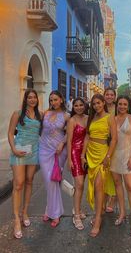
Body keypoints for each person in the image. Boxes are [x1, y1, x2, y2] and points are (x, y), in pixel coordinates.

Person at [81, 94, 117, 237]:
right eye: (94, 104)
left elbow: (114, 139)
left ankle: (97, 219)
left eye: (98, 103)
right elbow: (87, 137)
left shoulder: (109, 117)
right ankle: (99, 211)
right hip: (91, 154)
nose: (96, 106)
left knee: (98, 186)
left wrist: (108, 156)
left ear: (103, 103)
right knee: (97, 187)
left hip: (103, 154)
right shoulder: (92, 118)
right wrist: (83, 155)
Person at [8, 89, 42, 239]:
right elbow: (10, 133)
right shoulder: (17, 113)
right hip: (19, 151)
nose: (32, 99)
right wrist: (14, 149)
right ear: (25, 99)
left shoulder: (40, 115)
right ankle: (16, 219)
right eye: (30, 97)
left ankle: (25, 212)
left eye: (34, 97)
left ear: (37, 99)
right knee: (19, 184)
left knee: (29, 181)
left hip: (34, 151)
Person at [39, 90, 70, 228]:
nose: (53, 102)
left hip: (58, 151)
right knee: (48, 181)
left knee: (53, 181)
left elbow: (70, 133)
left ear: (61, 100)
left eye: (55, 99)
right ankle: (50, 209)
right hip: (44, 149)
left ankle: (54, 213)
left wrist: (62, 143)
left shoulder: (66, 115)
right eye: (51, 100)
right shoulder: (45, 113)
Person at [110, 95, 131, 237]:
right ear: (117, 105)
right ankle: (122, 212)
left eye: (124, 104)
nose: (122, 106)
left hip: (128, 154)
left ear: (128, 106)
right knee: (117, 184)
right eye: (120, 104)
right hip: (115, 155)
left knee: (129, 185)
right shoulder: (112, 119)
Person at [67, 98, 88, 230]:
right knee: (79, 184)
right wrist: (69, 159)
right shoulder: (72, 120)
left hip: (86, 154)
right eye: (76, 105)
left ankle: (78, 209)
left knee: (81, 185)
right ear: (73, 107)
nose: (79, 107)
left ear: (84, 106)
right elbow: (69, 141)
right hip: (75, 152)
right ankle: (76, 216)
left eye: (81, 105)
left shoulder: (88, 117)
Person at [103, 87, 117, 213]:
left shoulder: (118, 109)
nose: (109, 97)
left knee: (114, 173)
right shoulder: (101, 108)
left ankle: (113, 198)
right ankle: (106, 195)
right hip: (103, 144)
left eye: (111, 95)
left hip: (116, 143)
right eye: (107, 94)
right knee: (105, 173)